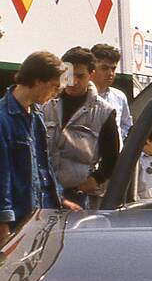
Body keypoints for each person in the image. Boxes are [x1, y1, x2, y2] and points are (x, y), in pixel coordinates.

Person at [0, 51, 67, 246]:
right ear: (37, 81)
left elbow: (43, 164)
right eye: (53, 87)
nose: (55, 93)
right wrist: (3, 229)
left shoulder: (36, 113)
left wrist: (58, 198)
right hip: (19, 220)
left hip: (41, 215)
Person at [43, 47, 120, 209]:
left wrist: (91, 182)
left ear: (91, 75)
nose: (73, 81)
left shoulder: (104, 112)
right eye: (68, 75)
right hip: (45, 192)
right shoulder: (47, 104)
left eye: (80, 76)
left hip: (77, 196)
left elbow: (112, 157)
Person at [90, 43, 132, 142]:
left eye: (113, 68)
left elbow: (126, 124)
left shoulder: (119, 97)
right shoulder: (81, 95)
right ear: (92, 69)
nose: (110, 73)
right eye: (104, 68)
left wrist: (116, 138)